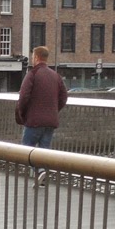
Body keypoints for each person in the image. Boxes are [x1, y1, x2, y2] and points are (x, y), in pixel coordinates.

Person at [15, 45, 68, 183]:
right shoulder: (56, 76)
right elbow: (63, 97)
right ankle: (42, 177)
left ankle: (40, 171)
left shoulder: (32, 74)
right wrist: (54, 111)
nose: (32, 59)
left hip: (34, 120)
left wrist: (23, 114)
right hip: (50, 122)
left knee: (26, 151)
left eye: (33, 56)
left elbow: (23, 97)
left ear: (37, 57)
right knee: (44, 152)